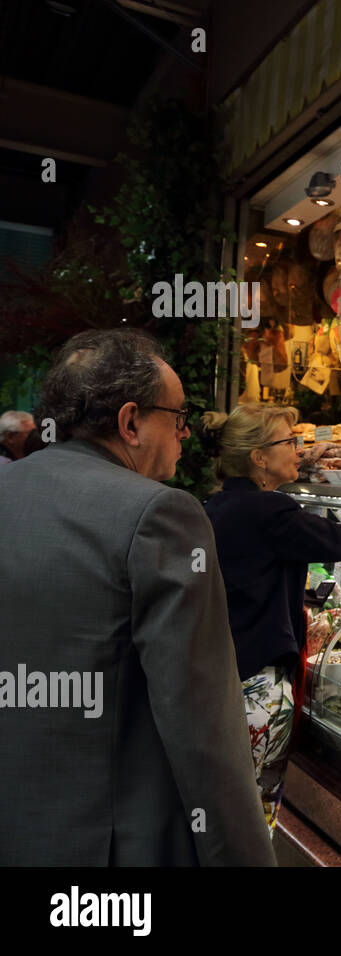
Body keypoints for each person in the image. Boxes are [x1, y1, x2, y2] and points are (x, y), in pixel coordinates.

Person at [0, 329, 274, 866]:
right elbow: (204, 728)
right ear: (130, 422)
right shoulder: (159, 514)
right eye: (177, 419)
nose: (186, 436)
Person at [202, 404, 341, 831]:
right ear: (259, 456)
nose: (298, 450)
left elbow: (249, 576)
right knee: (252, 812)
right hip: (258, 687)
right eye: (289, 441)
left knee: (226, 809)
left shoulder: (216, 505)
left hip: (221, 677)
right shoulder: (267, 510)